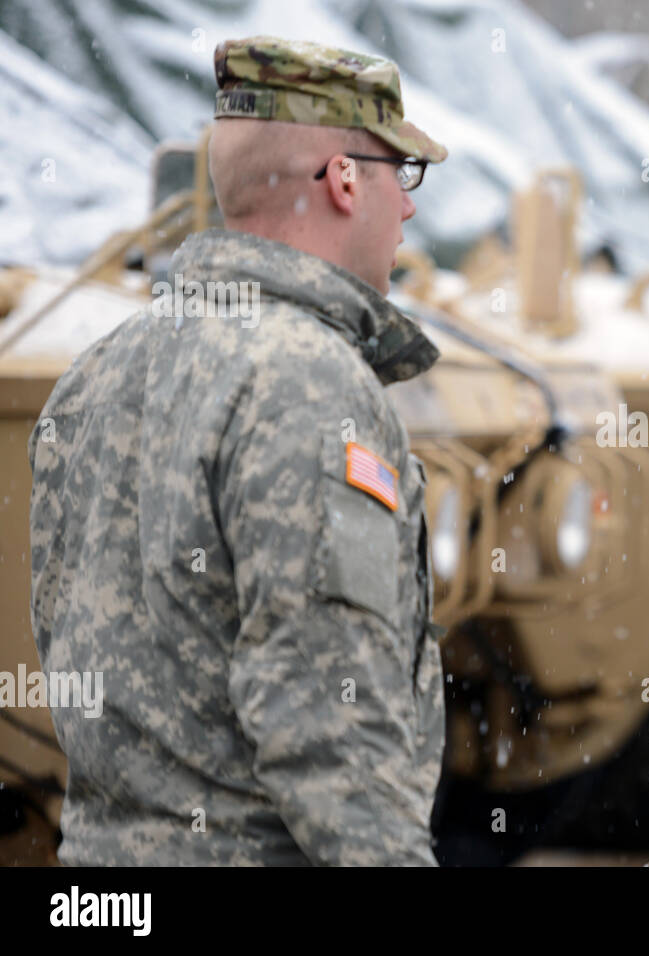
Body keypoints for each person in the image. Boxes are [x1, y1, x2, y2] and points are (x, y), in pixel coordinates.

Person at [28, 36, 448, 865]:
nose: (407, 208)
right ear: (344, 179)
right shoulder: (312, 384)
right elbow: (330, 722)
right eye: (401, 174)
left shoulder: (94, 374)